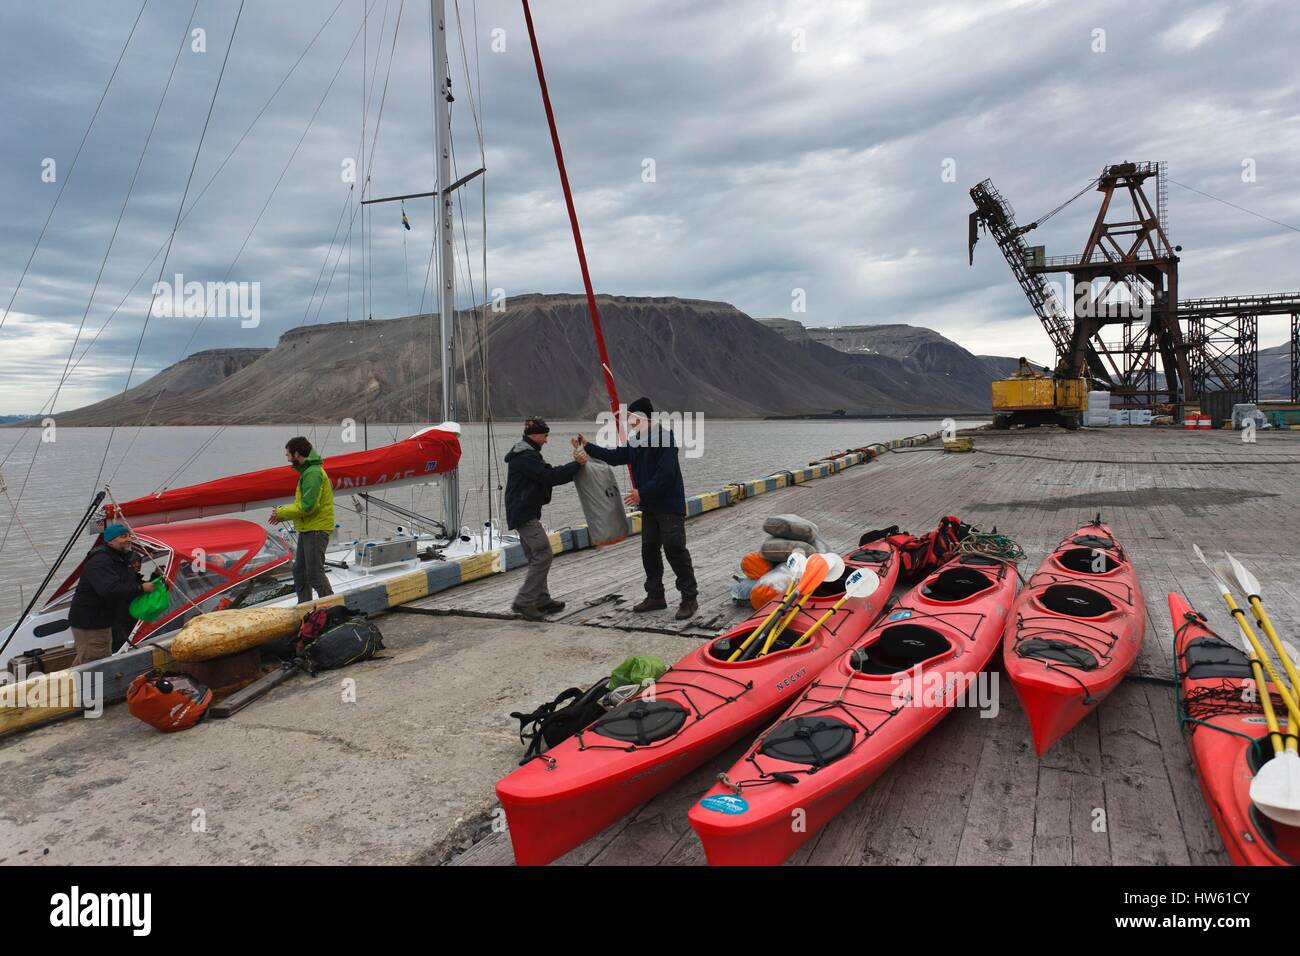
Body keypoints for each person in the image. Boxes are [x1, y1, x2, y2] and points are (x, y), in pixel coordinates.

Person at [576, 396, 698, 620]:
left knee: (675, 550)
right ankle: (656, 596)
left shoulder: (664, 438)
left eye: (632, 417)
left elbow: (667, 475)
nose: (629, 422)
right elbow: (615, 457)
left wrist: (642, 492)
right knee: (649, 550)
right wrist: (588, 446)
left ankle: (689, 598)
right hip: (651, 506)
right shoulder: (636, 441)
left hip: (669, 505)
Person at [504, 416, 586, 622]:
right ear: (535, 435)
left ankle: (541, 599)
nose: (546, 440)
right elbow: (549, 476)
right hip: (524, 514)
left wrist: (573, 464)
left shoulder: (527, 453)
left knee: (535, 556)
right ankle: (524, 601)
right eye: (545, 435)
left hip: (524, 511)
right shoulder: (525, 457)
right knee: (543, 553)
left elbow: (547, 473)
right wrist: (576, 465)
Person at [67, 523, 156, 665]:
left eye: (129, 536)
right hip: (92, 623)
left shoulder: (120, 558)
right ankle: (87, 686)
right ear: (110, 541)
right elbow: (109, 590)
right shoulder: (100, 561)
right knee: (95, 660)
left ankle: (77, 683)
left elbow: (127, 581)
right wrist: (141, 588)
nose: (128, 539)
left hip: (105, 620)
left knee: (91, 656)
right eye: (123, 536)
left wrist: (152, 580)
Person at [269, 436, 336, 605]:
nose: (287, 458)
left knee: (315, 574)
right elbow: (303, 505)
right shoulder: (308, 471)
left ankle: (331, 608)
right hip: (308, 529)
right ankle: (305, 607)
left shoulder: (312, 473)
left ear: (297, 454)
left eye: (288, 455)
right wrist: (282, 513)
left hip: (316, 529)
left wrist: (281, 512)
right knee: (299, 571)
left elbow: (307, 507)